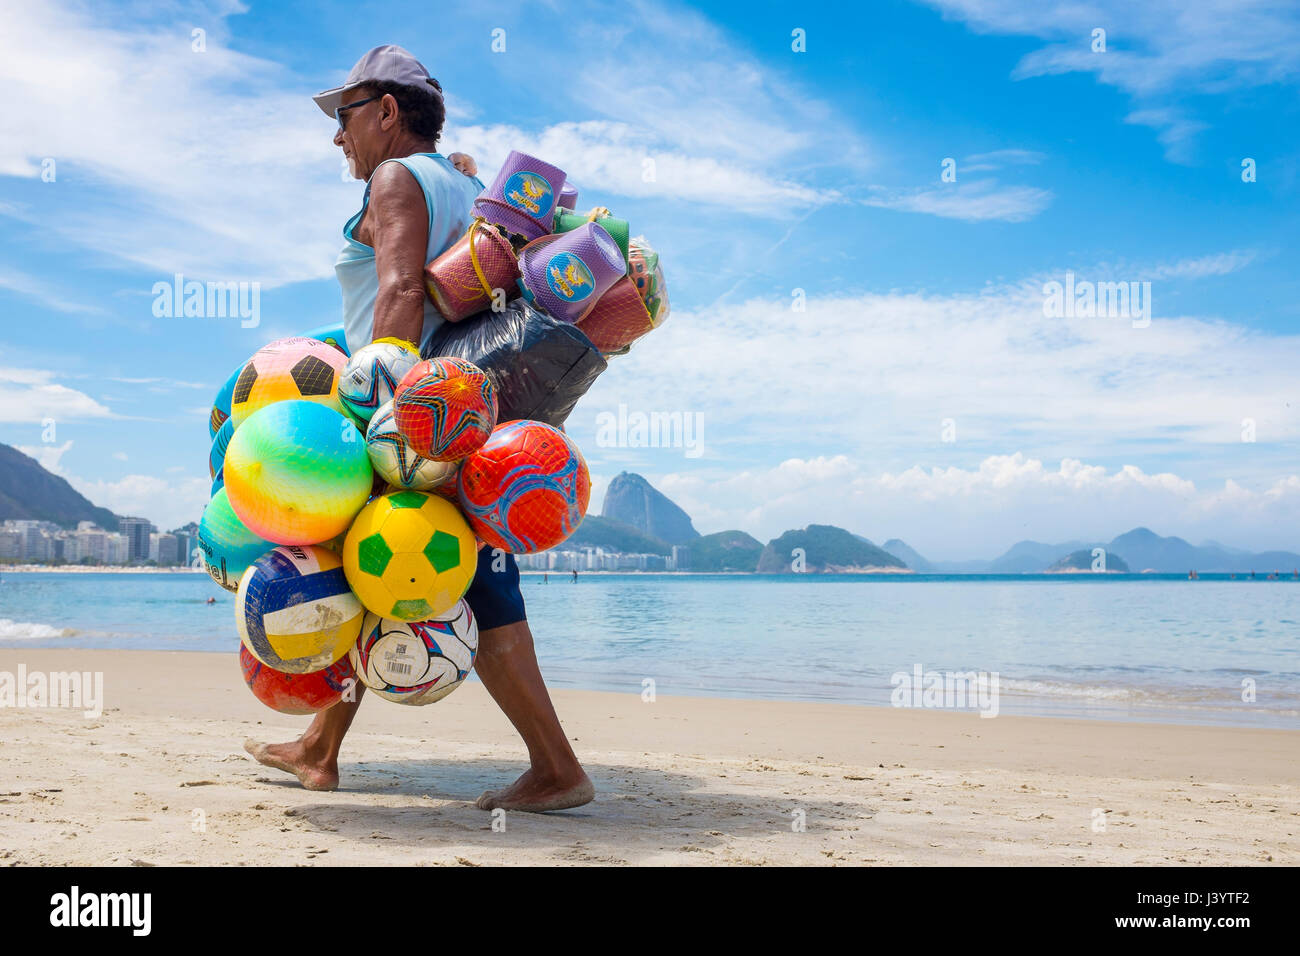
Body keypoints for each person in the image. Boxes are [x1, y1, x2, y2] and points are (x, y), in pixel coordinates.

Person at [244, 45, 593, 813]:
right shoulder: (470, 187)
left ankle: (558, 767)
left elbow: (401, 287)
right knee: (379, 568)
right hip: (468, 410)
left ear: (388, 112)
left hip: (413, 412)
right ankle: (320, 748)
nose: (338, 136)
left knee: (423, 569)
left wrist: (379, 414)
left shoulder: (395, 178)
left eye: (345, 116)